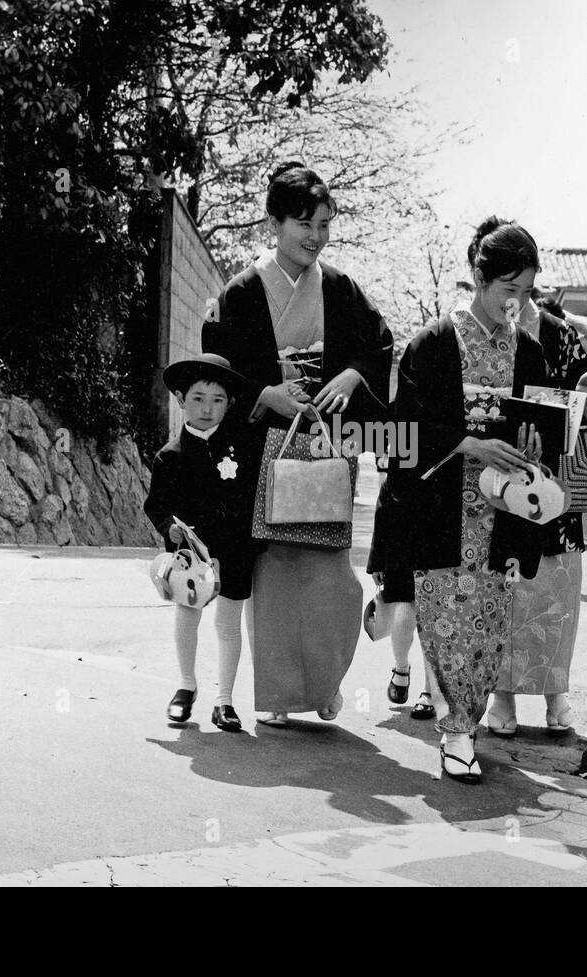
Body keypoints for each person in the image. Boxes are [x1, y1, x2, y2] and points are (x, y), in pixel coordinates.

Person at [203, 161, 392, 727]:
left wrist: (354, 375)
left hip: (327, 443)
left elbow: (377, 344)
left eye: (323, 224)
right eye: (303, 223)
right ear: (274, 223)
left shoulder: (338, 288)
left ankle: (324, 681)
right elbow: (215, 370)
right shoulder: (240, 293)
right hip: (266, 447)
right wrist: (264, 393)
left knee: (331, 572)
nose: (315, 236)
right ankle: (282, 694)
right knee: (277, 572)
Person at [388, 216, 551, 783]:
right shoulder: (434, 343)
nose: (517, 304)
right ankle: (457, 731)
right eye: (510, 290)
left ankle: (469, 722)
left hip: (500, 509)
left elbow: (539, 425)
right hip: (443, 502)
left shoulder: (527, 352)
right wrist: (467, 442)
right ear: (479, 279)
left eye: (526, 293)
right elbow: (404, 431)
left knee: (489, 621)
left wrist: (532, 442)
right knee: (449, 617)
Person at [487, 294, 587, 736]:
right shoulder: (478, 327)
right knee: (507, 587)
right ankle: (501, 693)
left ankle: (556, 691)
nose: (514, 291)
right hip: (498, 474)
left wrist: (582, 394)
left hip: (557, 478)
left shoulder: (559, 334)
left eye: (524, 278)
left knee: (557, 591)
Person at [142, 354, 257, 733]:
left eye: (217, 400)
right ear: (180, 400)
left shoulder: (242, 450)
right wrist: (169, 529)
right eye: (197, 398)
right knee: (188, 614)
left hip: (236, 550)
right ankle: (186, 686)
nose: (207, 409)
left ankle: (224, 701)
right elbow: (156, 505)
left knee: (229, 624)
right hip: (191, 555)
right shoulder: (170, 456)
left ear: (230, 403)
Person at [365, 448, 436, 720]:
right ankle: (401, 668)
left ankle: (429, 691)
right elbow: (382, 512)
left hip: (437, 544)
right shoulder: (398, 468)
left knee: (435, 620)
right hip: (401, 547)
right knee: (404, 611)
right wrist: (377, 561)